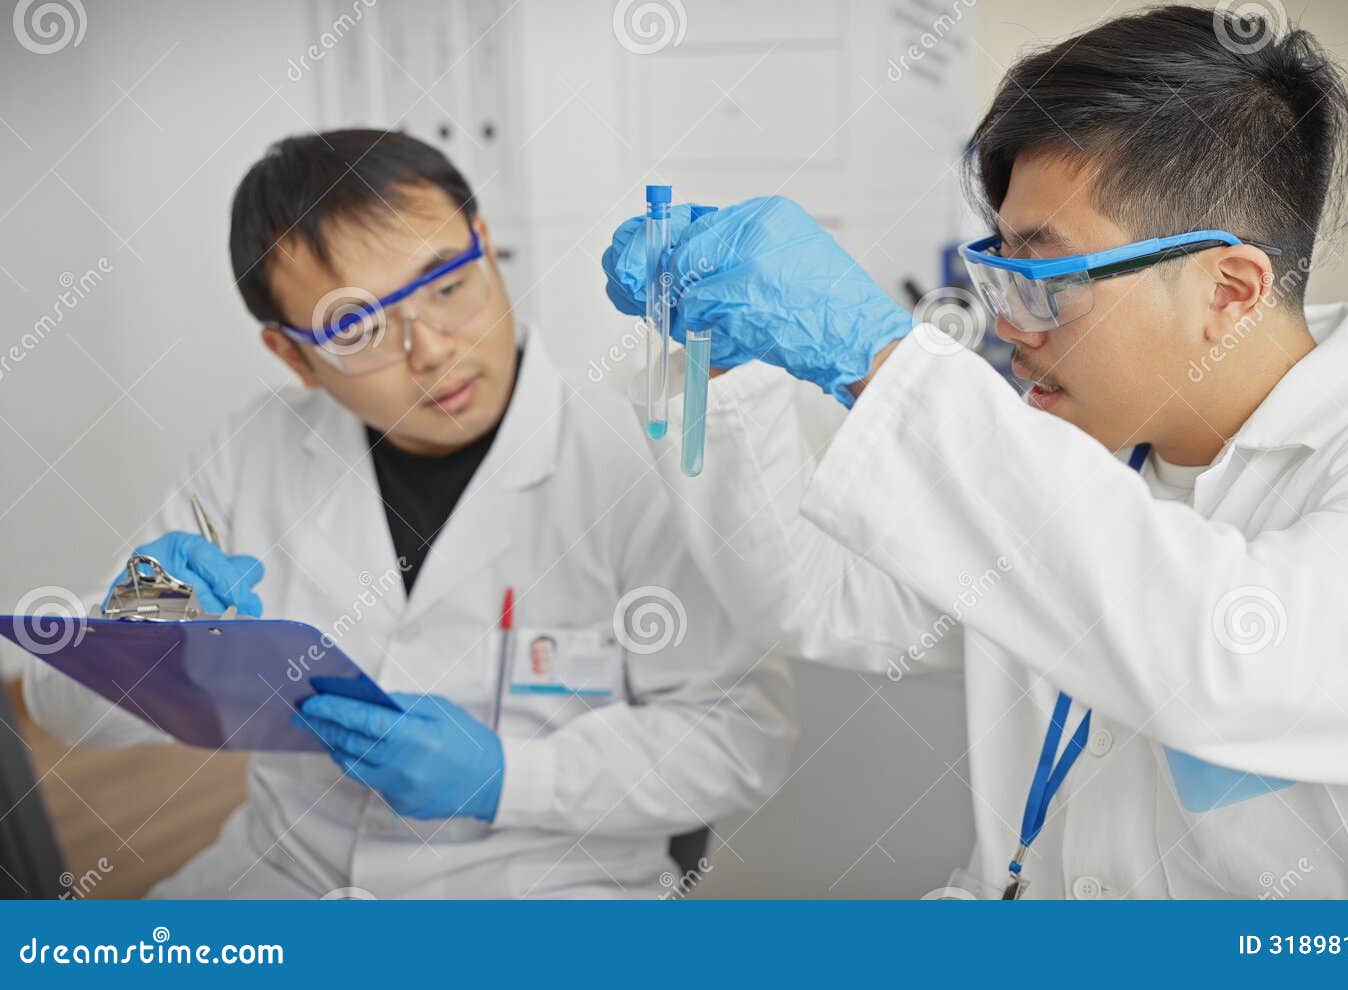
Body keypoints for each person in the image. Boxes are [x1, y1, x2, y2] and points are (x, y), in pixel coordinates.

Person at [601, 6, 1348, 898]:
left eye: (1048, 277)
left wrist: (880, 360)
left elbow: (1223, 655)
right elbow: (816, 599)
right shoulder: (1085, 453)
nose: (1011, 325)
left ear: (1231, 290)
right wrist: (730, 369)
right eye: (1002, 272)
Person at [24, 129, 794, 899]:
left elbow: (739, 742)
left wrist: (506, 777)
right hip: (283, 874)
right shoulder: (254, 452)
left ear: (486, 249)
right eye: (355, 327)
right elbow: (60, 709)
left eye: (448, 285)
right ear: (293, 356)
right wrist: (141, 631)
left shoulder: (638, 463)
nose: (429, 349)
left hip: (545, 894)